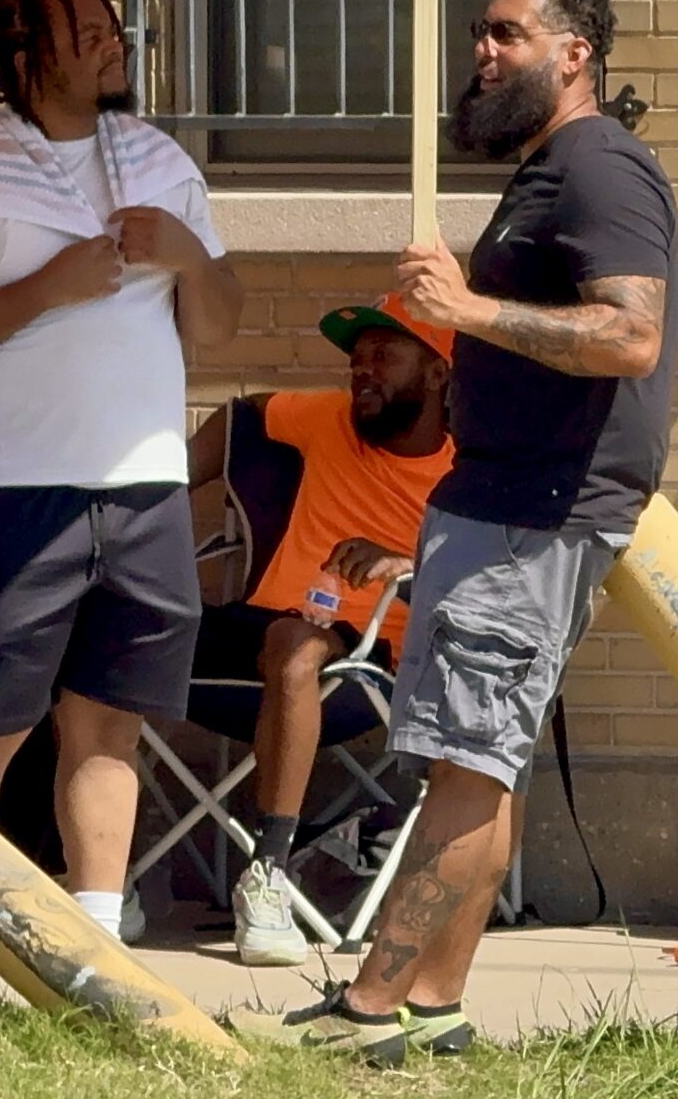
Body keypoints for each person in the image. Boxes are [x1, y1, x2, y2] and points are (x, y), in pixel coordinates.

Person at [234, 0, 677, 1063]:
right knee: (480, 764)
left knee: (470, 761)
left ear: (574, 55)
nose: (482, 52)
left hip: (537, 510)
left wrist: (465, 310)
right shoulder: (546, 175)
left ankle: (368, 1010)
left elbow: (631, 338)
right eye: (478, 35)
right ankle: (432, 1004)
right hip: (498, 503)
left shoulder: (601, 169)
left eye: (507, 36)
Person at [0, 0, 243, 1000]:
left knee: (111, 723)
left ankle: (94, 947)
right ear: (24, 60)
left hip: (146, 490)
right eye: (85, 34)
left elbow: (215, 326)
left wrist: (185, 258)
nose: (110, 44)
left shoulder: (162, 164)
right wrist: (46, 290)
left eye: (111, 28)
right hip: (16, 490)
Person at [187, 291, 456, 966]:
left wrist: (406, 561)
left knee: (295, 646)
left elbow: (496, 573)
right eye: (357, 357)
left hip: (368, 658)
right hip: (260, 625)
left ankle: (269, 874)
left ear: (437, 373)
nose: (362, 370)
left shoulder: (466, 472)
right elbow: (240, 414)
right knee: (116, 626)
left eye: (384, 355)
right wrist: (166, 483)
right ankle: (99, 883)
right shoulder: (325, 419)